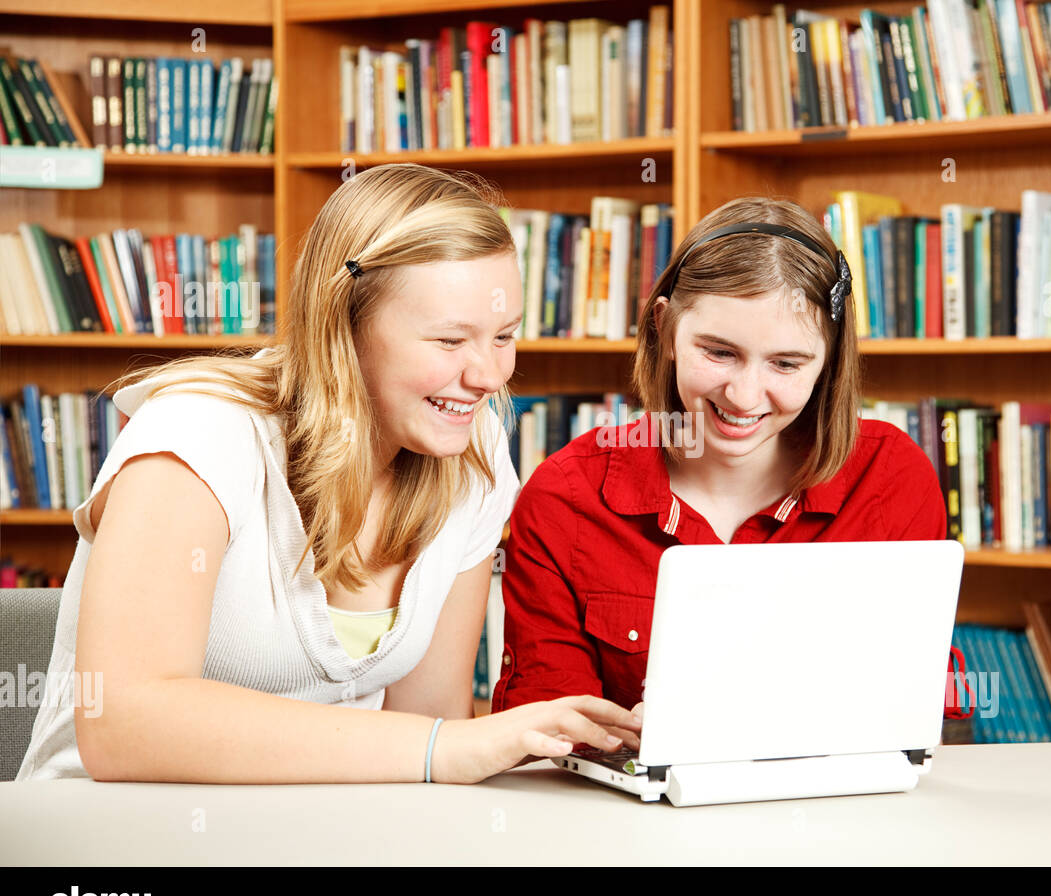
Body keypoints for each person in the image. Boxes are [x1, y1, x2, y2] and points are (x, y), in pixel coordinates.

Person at [17, 164, 639, 785]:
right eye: (450, 341)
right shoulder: (198, 435)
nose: (488, 375)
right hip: (116, 839)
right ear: (344, 326)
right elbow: (124, 724)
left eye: (504, 336)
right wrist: (443, 748)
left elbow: (429, 725)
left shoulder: (472, 455)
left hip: (320, 833)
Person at [493, 197, 971, 719]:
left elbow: (926, 696)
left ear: (828, 361)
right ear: (665, 329)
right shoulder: (564, 498)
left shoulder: (889, 476)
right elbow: (543, 738)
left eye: (786, 363)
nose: (744, 396)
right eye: (719, 352)